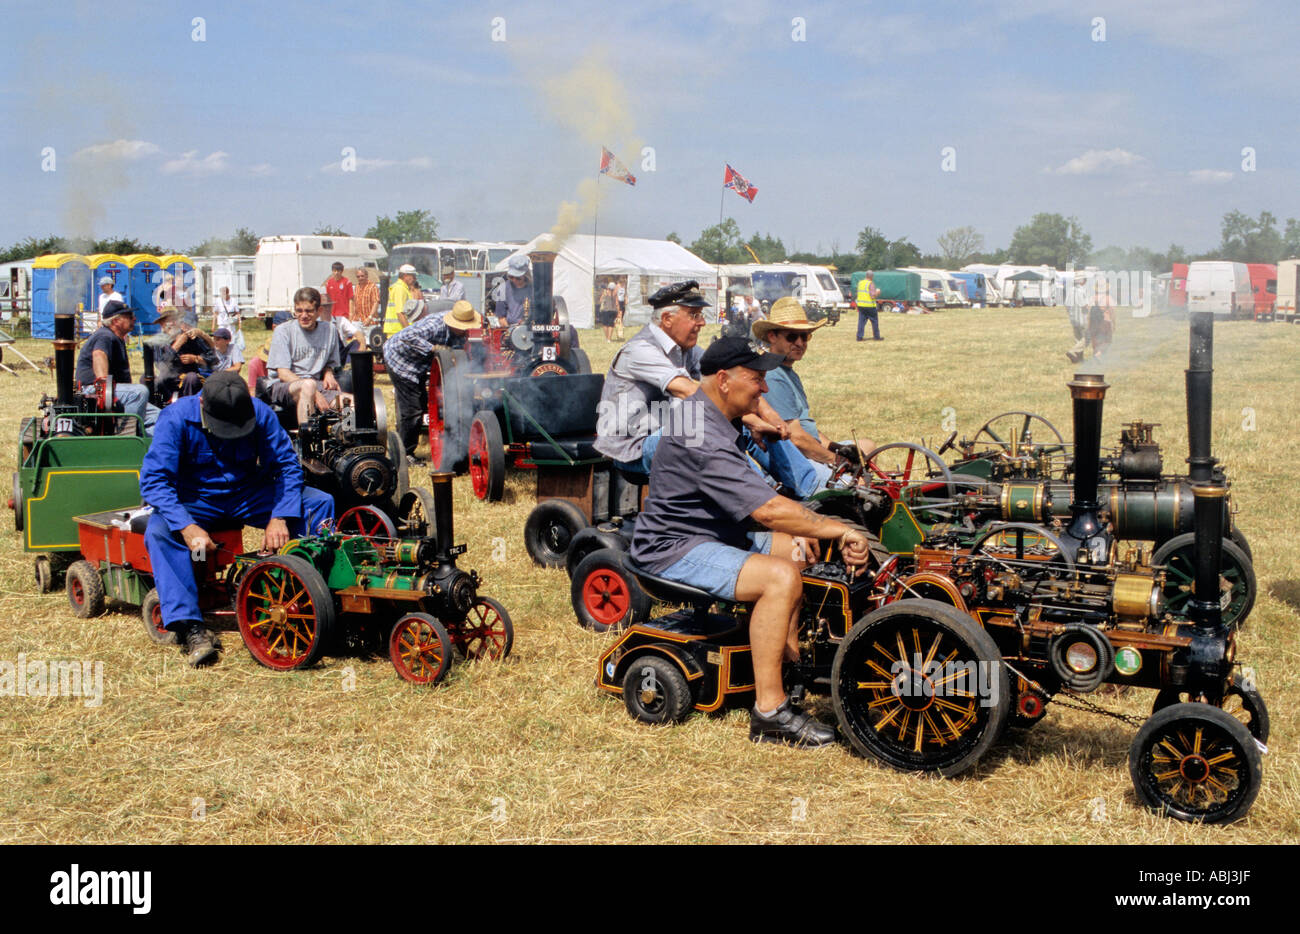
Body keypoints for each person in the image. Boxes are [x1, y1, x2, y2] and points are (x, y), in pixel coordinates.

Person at [629, 337, 872, 747]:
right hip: (673, 548)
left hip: (713, 534)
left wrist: (757, 422)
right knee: (780, 578)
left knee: (800, 551)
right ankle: (770, 713)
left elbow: (750, 430)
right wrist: (840, 529)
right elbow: (768, 512)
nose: (764, 388)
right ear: (724, 380)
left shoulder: (712, 412)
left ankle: (786, 663)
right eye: (756, 379)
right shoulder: (700, 433)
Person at [140, 371, 336, 666]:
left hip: (247, 492)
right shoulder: (175, 418)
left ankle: (313, 600)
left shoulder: (261, 412)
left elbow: (287, 467)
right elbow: (154, 481)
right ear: (203, 403)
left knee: (319, 504)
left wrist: (280, 516)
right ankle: (190, 627)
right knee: (159, 532)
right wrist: (187, 525)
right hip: (196, 500)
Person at [593, 280, 820, 496]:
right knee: (716, 423)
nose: (701, 322)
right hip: (633, 448)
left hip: (670, 436)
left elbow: (732, 380)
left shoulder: (684, 349)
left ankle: (810, 489)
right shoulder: (638, 350)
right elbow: (689, 391)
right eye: (694, 315)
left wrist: (768, 415)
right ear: (667, 319)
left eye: (700, 315)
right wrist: (752, 419)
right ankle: (761, 494)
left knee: (747, 425)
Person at [755, 298, 874, 478]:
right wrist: (838, 462)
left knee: (868, 447)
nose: (800, 343)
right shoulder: (772, 376)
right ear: (772, 336)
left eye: (805, 336)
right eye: (792, 336)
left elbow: (806, 426)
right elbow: (796, 439)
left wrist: (836, 447)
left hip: (810, 450)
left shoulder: (787, 372)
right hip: (796, 460)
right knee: (858, 485)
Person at [382, 299, 480, 461]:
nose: (465, 331)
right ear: (454, 323)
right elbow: (407, 335)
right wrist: (432, 348)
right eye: (463, 328)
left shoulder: (456, 330)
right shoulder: (436, 325)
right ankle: (403, 455)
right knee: (412, 410)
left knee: (421, 403)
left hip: (417, 363)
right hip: (400, 361)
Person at [74, 299, 160, 435]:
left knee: (160, 416)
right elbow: (98, 354)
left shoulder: (115, 337)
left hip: (112, 393)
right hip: (92, 392)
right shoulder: (105, 336)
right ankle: (127, 436)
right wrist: (103, 385)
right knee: (139, 393)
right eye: (129, 316)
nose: (134, 318)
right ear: (115, 321)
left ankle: (144, 445)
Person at [265, 287, 345, 424]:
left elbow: (330, 364)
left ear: (319, 311)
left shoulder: (330, 330)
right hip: (284, 386)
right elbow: (283, 373)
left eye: (309, 311)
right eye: (299, 311)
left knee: (351, 403)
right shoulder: (283, 331)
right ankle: (307, 439)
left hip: (317, 384)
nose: (303, 315)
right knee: (308, 386)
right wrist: (315, 394)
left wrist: (328, 373)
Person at [150, 310, 219, 398]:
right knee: (147, 379)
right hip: (167, 379)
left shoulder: (191, 338)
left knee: (191, 378)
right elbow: (160, 364)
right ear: (162, 324)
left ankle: (187, 407)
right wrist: (177, 345)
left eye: (175, 320)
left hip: (189, 378)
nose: (173, 323)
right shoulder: (158, 342)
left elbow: (214, 359)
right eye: (169, 321)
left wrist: (195, 358)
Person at [491, 254, 531, 325]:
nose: (514, 280)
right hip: (511, 329)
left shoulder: (534, 289)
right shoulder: (502, 288)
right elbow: (501, 317)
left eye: (518, 278)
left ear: (525, 275)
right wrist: (510, 332)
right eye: (511, 277)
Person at [384, 264, 421, 336]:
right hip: (398, 331)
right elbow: (400, 313)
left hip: (397, 330)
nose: (414, 279)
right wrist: (409, 331)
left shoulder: (402, 288)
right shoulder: (400, 289)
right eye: (413, 276)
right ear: (405, 275)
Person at [855, 272, 881, 341]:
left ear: (866, 276)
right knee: (874, 321)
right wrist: (877, 292)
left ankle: (859, 337)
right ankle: (876, 337)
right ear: (872, 277)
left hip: (861, 305)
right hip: (869, 306)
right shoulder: (870, 283)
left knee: (861, 322)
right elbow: (873, 296)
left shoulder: (860, 283)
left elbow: (857, 293)